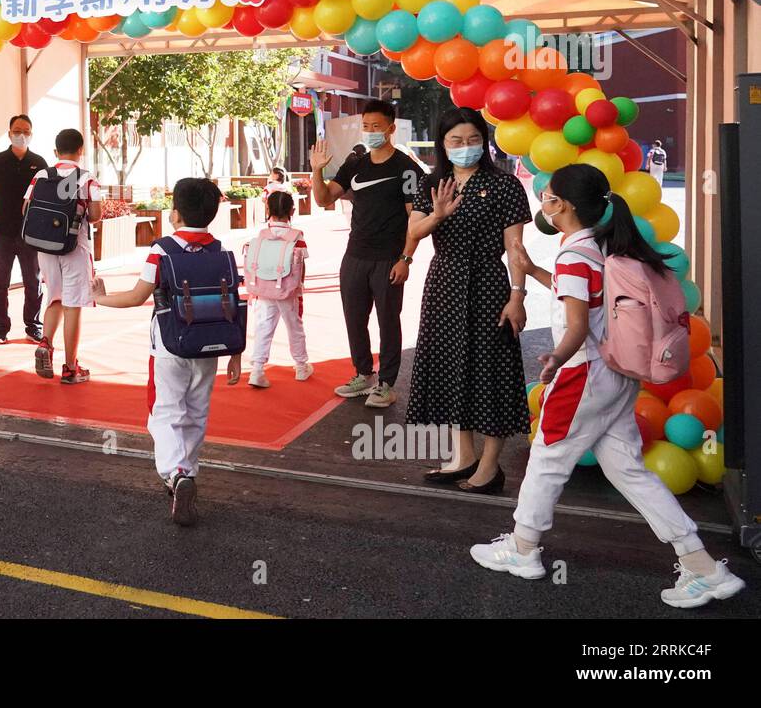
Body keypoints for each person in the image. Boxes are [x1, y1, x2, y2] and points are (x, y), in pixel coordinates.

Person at [473, 163, 746, 608]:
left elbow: (577, 322)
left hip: (582, 373)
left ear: (560, 204)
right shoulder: (599, 245)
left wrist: (555, 359)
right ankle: (702, 566)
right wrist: (535, 271)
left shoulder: (574, 253)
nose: (542, 200)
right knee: (628, 471)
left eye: (547, 195)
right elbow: (584, 295)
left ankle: (523, 549)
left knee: (546, 458)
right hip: (616, 376)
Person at [92, 178, 241, 526]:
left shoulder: (161, 251)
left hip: (170, 346)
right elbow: (233, 303)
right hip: (211, 346)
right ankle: (186, 471)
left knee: (164, 412)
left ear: (174, 213)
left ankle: (176, 475)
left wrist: (100, 297)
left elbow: (136, 296)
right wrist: (236, 352)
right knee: (195, 413)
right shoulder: (220, 250)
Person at [406, 108, 531, 492]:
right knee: (451, 369)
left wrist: (518, 295)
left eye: (473, 140)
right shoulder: (431, 183)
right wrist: (438, 215)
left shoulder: (506, 186)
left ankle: (490, 466)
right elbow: (414, 232)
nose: (465, 148)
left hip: (490, 284)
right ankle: (463, 457)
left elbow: (515, 247)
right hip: (444, 283)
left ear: (485, 141)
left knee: (490, 372)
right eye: (456, 142)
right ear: (443, 145)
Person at [309, 101, 421, 408]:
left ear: (390, 128)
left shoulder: (406, 168)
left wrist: (406, 259)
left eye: (377, 126)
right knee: (354, 319)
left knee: (388, 321)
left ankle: (386, 384)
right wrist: (316, 169)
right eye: (366, 126)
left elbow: (415, 220)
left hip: (389, 258)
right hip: (355, 256)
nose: (371, 132)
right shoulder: (355, 163)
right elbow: (323, 199)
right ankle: (362, 374)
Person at [28, 128, 103, 384]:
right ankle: (71, 367)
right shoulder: (86, 178)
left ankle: (45, 344)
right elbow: (95, 215)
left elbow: (26, 207)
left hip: (44, 247)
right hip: (74, 247)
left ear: (55, 151)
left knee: (54, 298)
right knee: (73, 305)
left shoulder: (41, 175)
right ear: (81, 151)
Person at [0, 114, 46, 344]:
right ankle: (0, 329)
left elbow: (46, 199)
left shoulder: (39, 162)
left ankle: (33, 326)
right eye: (17, 130)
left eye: (26, 131)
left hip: (31, 235)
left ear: (31, 134)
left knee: (33, 282)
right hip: (1, 233)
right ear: (9, 133)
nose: (21, 135)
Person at [246, 191, 311, 388]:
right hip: (288, 291)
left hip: (263, 288)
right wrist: (299, 286)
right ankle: (301, 366)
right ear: (292, 210)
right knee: (294, 327)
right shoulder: (296, 237)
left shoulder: (261, 236)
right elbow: (302, 266)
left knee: (263, 327)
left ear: (268, 210)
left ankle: (257, 369)